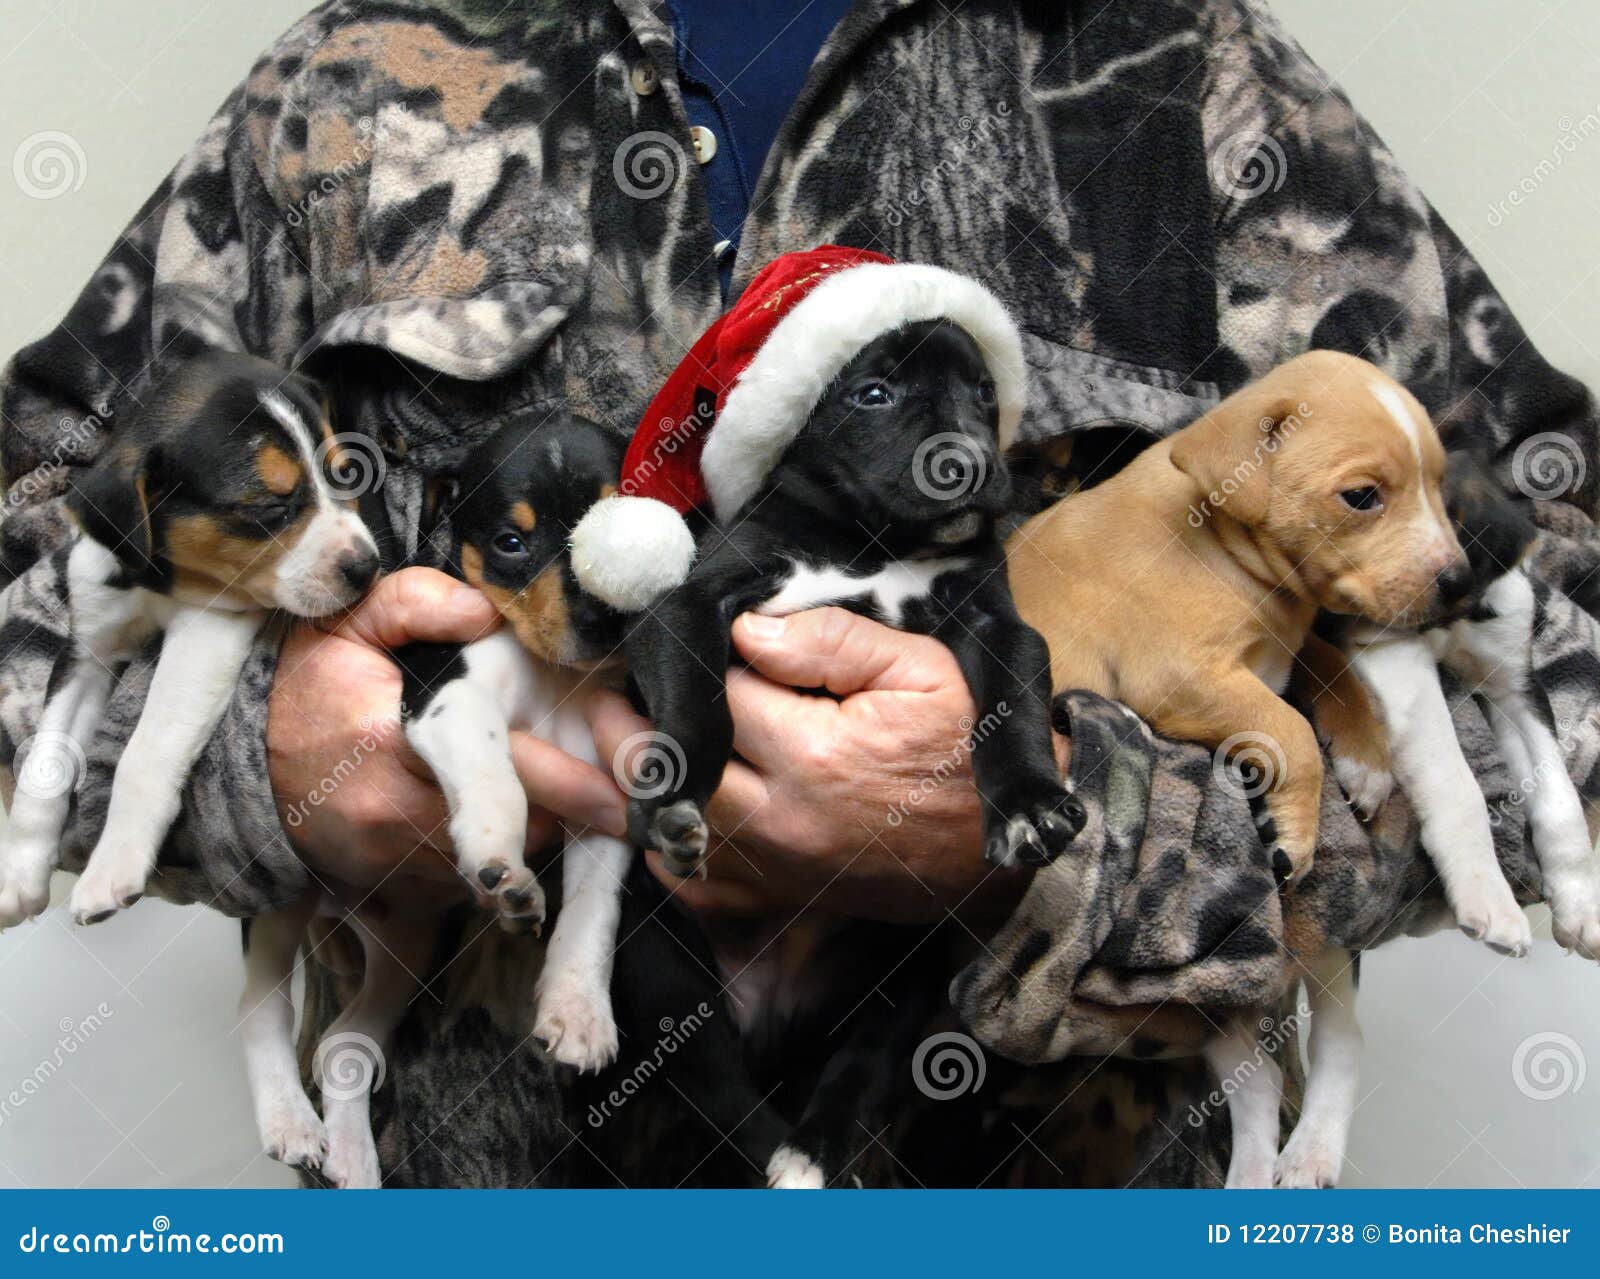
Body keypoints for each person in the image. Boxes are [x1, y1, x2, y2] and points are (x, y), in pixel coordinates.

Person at [2, 0, 1595, 1187]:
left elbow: (1561, 602)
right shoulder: (364, 70)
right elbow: (39, 525)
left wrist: (1076, 829)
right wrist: (265, 771)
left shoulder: (1172, 64)